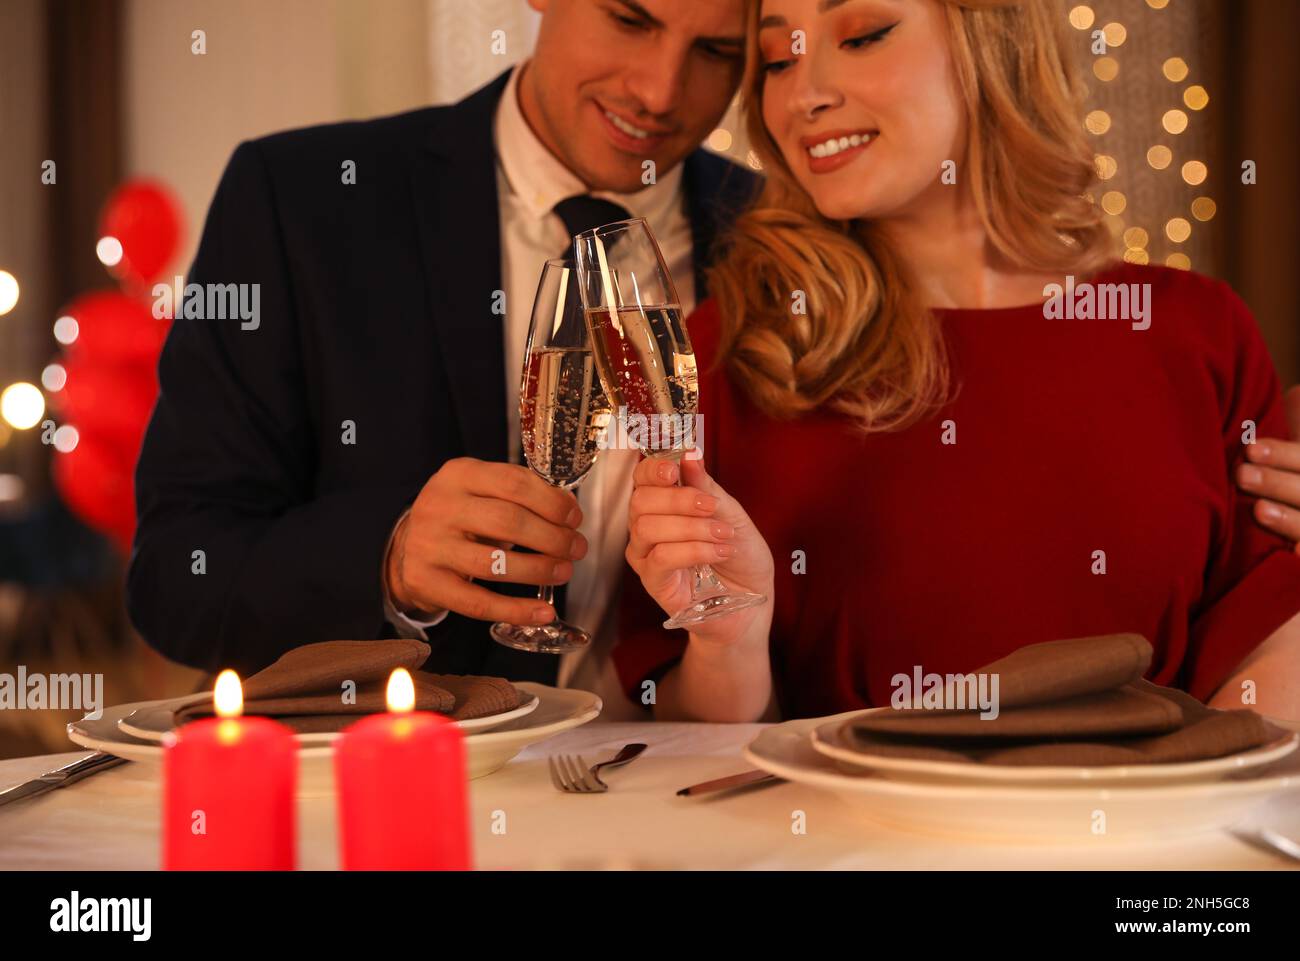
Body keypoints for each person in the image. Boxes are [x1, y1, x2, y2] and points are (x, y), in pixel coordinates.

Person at [614, 0, 1300, 722]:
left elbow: (1273, 659)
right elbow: (684, 738)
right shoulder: (732, 346)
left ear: (993, 38)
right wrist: (729, 643)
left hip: (1144, 827)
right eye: (779, 59)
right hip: (840, 832)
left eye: (863, 36)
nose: (804, 93)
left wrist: (1173, 811)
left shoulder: (1200, 331)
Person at [126, 0, 757, 706]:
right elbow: (175, 577)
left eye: (716, 54)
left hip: (682, 796)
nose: (659, 91)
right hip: (386, 790)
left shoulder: (785, 241)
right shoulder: (300, 199)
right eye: (629, 20)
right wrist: (387, 558)